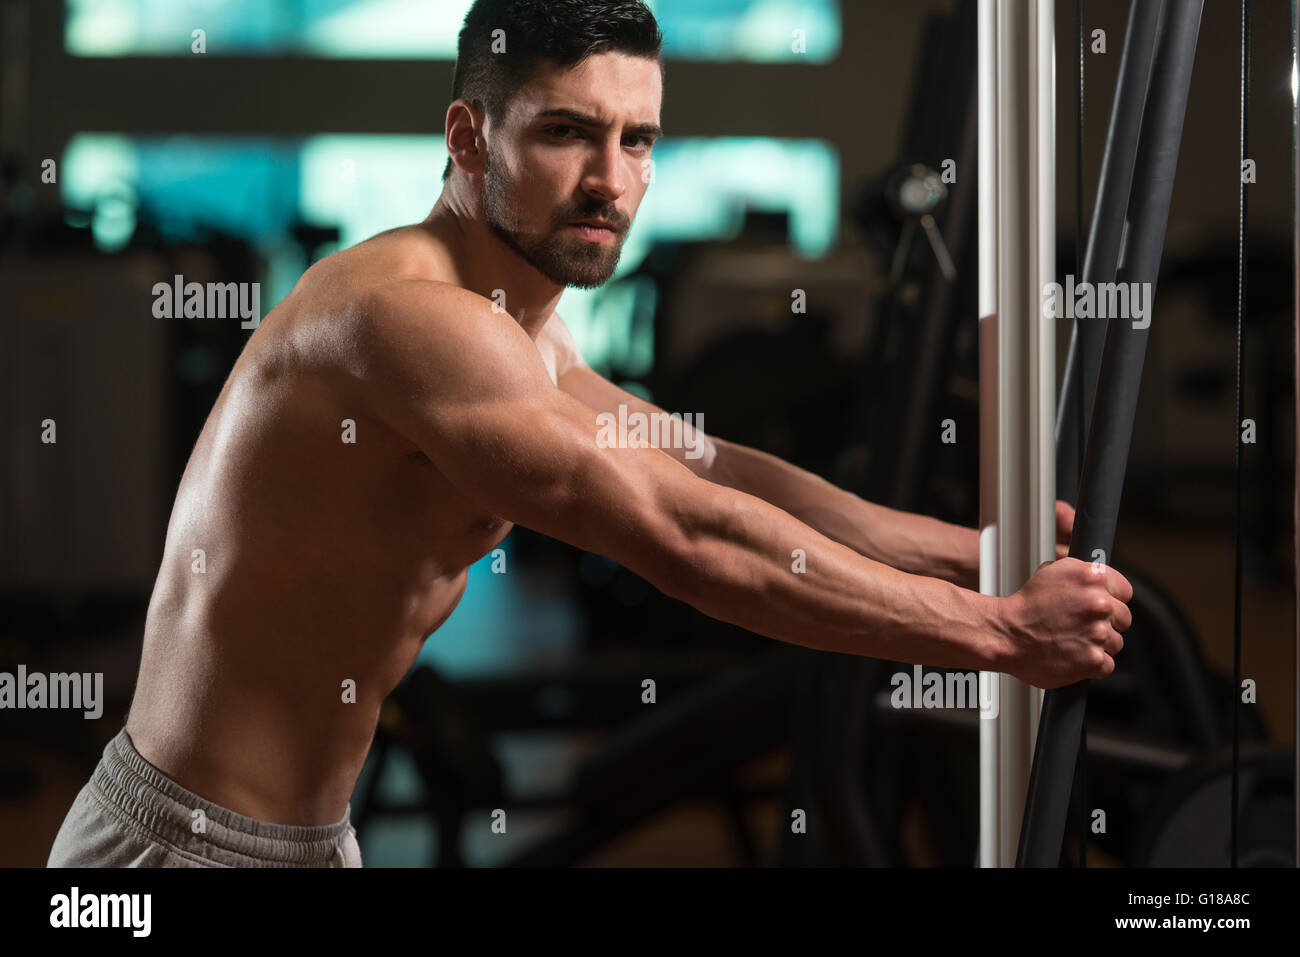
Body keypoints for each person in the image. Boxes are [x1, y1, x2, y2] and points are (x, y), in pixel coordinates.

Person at [47, 0, 1131, 868]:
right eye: (567, 132)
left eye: (638, 139)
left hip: (311, 839)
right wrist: (996, 636)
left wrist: (975, 558)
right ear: (469, 137)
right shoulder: (409, 318)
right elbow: (689, 539)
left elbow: (709, 465)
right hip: (181, 852)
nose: (612, 181)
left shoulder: (522, 329)